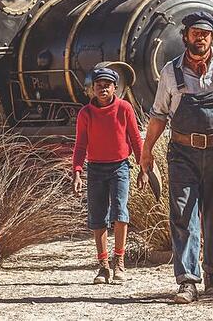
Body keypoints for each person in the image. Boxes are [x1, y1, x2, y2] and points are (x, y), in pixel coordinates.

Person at [138, 11, 213, 304]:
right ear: (185, 37)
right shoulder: (170, 71)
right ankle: (188, 282)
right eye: (195, 33)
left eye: (205, 33)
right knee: (182, 215)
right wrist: (146, 151)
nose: (200, 38)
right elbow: (158, 115)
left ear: (211, 37)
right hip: (182, 154)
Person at [72, 67, 143, 284]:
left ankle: (119, 262)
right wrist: (76, 172)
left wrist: (144, 168)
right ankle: (103, 266)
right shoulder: (86, 113)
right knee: (98, 217)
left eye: (107, 85)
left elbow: (135, 138)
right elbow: (80, 144)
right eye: (98, 85)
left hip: (120, 167)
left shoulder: (124, 108)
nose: (103, 88)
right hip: (95, 169)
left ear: (115, 87)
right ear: (92, 88)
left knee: (120, 212)